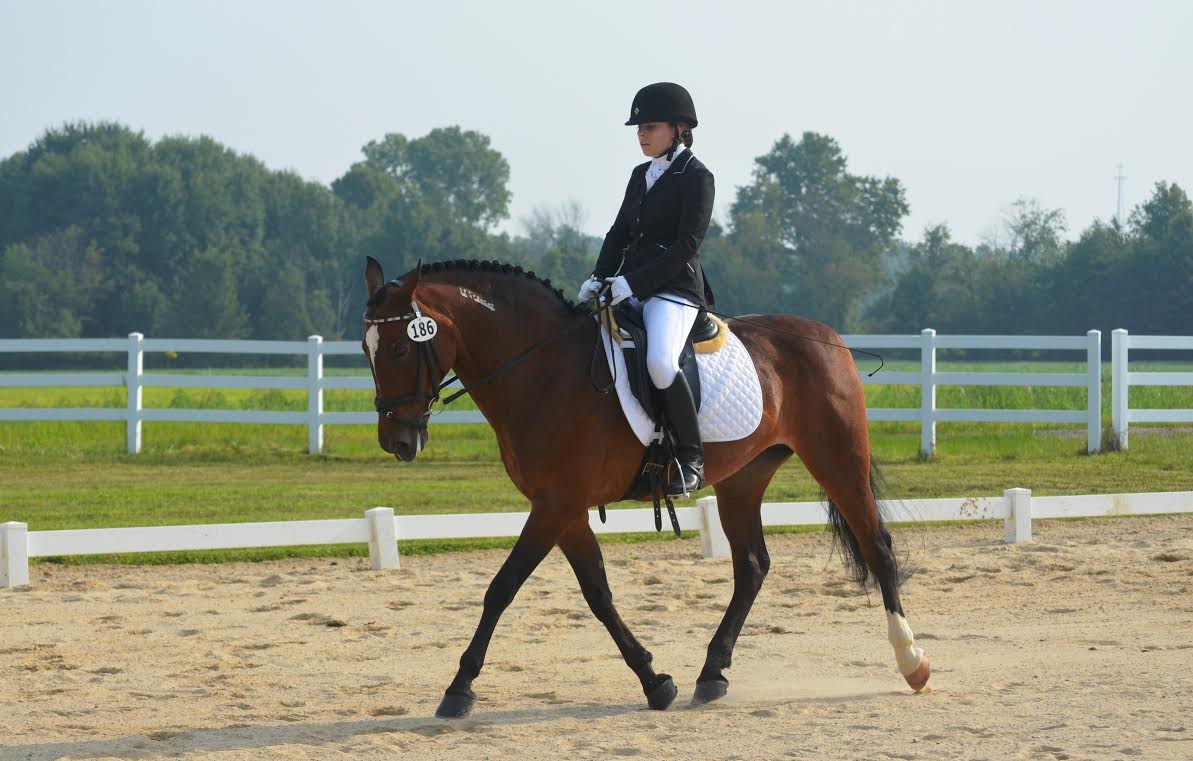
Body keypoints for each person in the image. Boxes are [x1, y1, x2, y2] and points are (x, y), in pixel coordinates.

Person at [576, 81, 716, 497]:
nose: (641, 134)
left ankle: (691, 457)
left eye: (650, 126)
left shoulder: (698, 177)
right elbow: (619, 233)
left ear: (678, 129)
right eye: (638, 127)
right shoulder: (641, 175)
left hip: (674, 291)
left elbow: (686, 246)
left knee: (659, 362)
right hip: (627, 286)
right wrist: (599, 276)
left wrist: (631, 283)